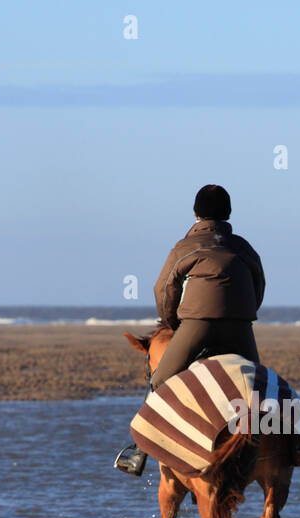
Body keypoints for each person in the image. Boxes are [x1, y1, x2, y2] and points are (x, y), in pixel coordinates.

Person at [114, 184, 266, 476]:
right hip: (240, 328)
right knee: (258, 388)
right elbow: (259, 285)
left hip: (198, 326)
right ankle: (273, 450)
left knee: (159, 381)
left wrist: (173, 323)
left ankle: (139, 453)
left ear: (196, 214)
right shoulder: (244, 247)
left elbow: (164, 289)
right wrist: (243, 314)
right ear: (229, 214)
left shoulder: (185, 247)